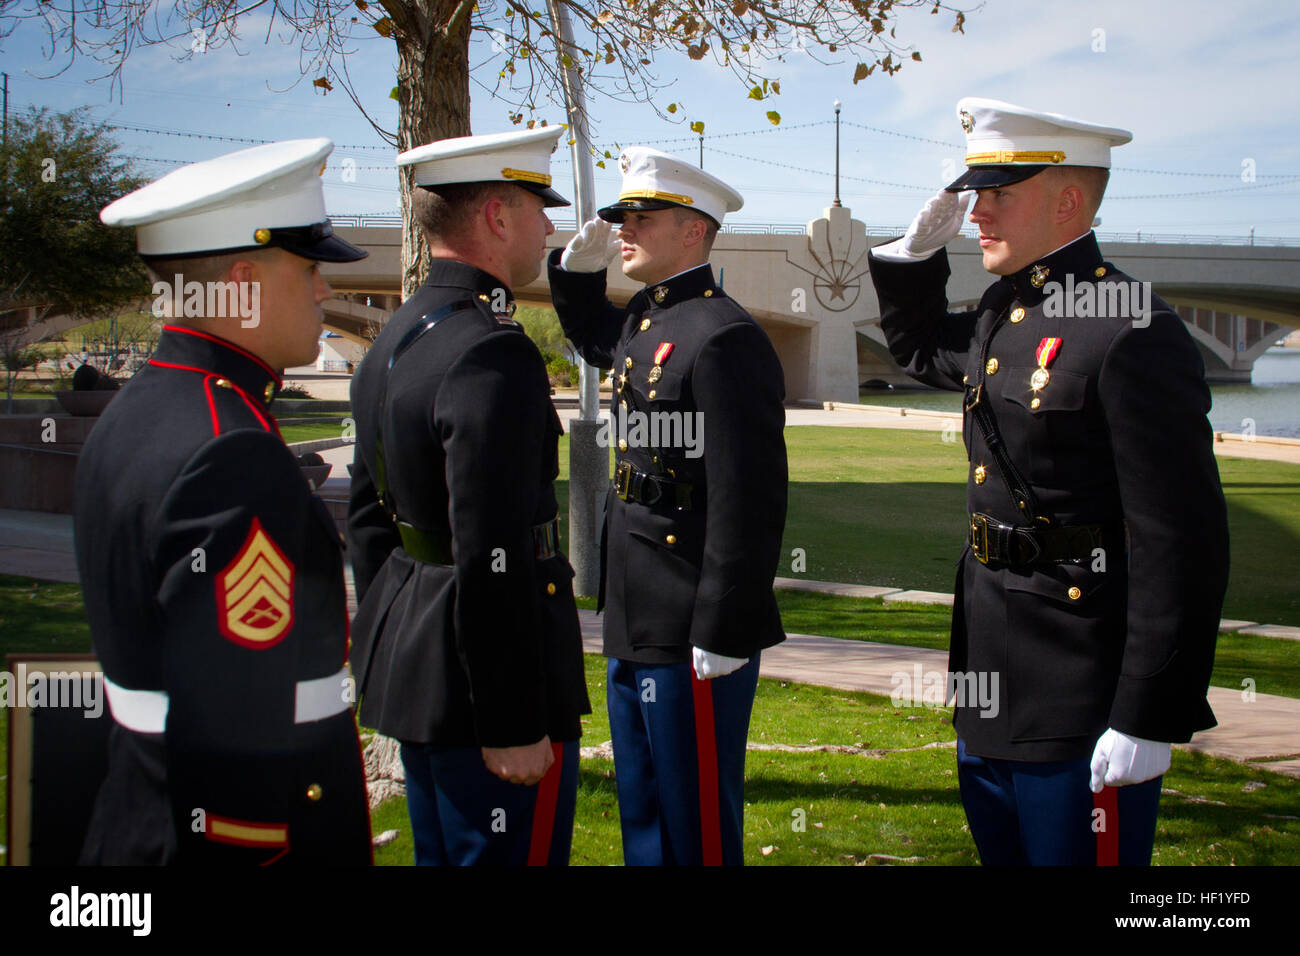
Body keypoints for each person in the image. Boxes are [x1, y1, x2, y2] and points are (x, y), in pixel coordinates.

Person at [866, 98, 1229, 865]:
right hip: (992, 677)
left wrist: (1149, 712)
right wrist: (909, 261)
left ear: (1068, 199)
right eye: (976, 193)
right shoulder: (1008, 311)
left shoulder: (1132, 328)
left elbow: (1181, 540)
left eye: (999, 193)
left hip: (1081, 693)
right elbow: (925, 353)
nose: (977, 214)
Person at [77, 138, 373, 864]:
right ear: (242, 280)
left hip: (141, 818)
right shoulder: (229, 448)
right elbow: (239, 744)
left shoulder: (138, 411)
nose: (323, 292)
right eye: (307, 269)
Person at [347, 127, 590, 866]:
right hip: (491, 690)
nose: (551, 225)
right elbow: (492, 545)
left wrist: (392, 646)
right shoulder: (490, 349)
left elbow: (367, 522)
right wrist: (511, 718)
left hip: (420, 661)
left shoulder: (397, 337)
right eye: (538, 206)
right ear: (494, 216)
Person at [548, 147, 788, 865]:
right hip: (636, 602)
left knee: (697, 819)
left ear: (692, 229)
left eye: (640, 218)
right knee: (644, 806)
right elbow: (595, 338)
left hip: (692, 618)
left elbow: (750, 497)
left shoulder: (725, 335)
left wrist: (724, 624)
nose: (622, 228)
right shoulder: (650, 321)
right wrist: (575, 273)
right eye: (620, 216)